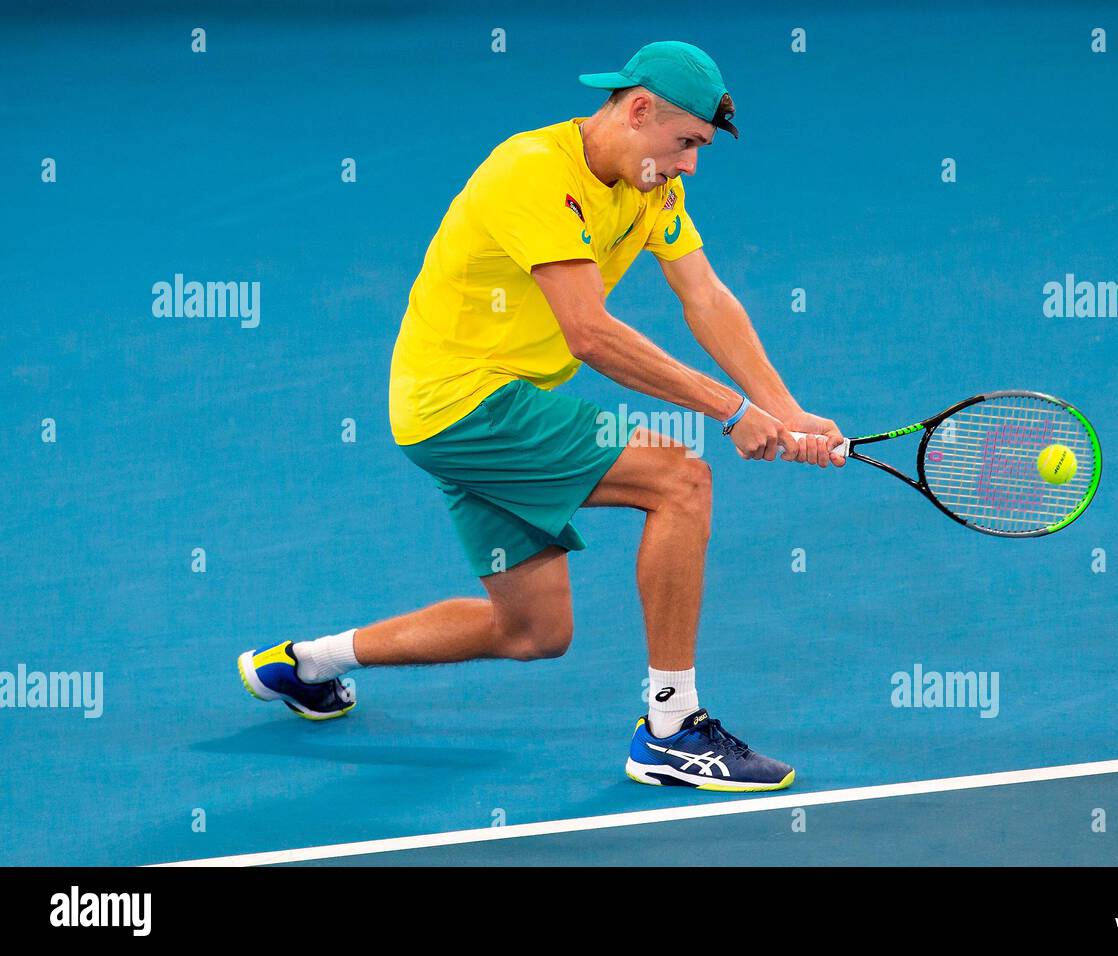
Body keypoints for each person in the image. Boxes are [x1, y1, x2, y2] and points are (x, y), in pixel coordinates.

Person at [238, 41, 844, 792]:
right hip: (465, 403)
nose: (691, 164)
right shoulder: (533, 172)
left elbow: (706, 298)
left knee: (530, 631)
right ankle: (672, 729)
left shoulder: (650, 187)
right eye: (686, 142)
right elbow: (588, 334)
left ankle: (304, 665)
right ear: (639, 108)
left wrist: (787, 412)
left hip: (467, 412)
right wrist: (731, 409)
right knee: (680, 480)